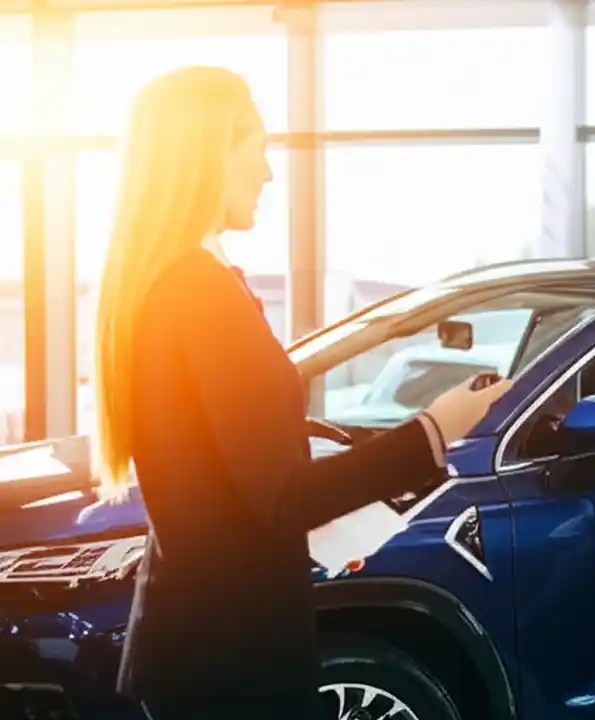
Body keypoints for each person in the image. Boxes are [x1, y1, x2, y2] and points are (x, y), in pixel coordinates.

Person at [91, 66, 511, 719]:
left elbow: (227, 482)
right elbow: (281, 497)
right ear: (208, 154)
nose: (267, 173)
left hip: (208, 643)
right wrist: (434, 428)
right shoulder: (199, 293)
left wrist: (322, 503)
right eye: (256, 149)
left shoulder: (176, 283)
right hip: (233, 657)